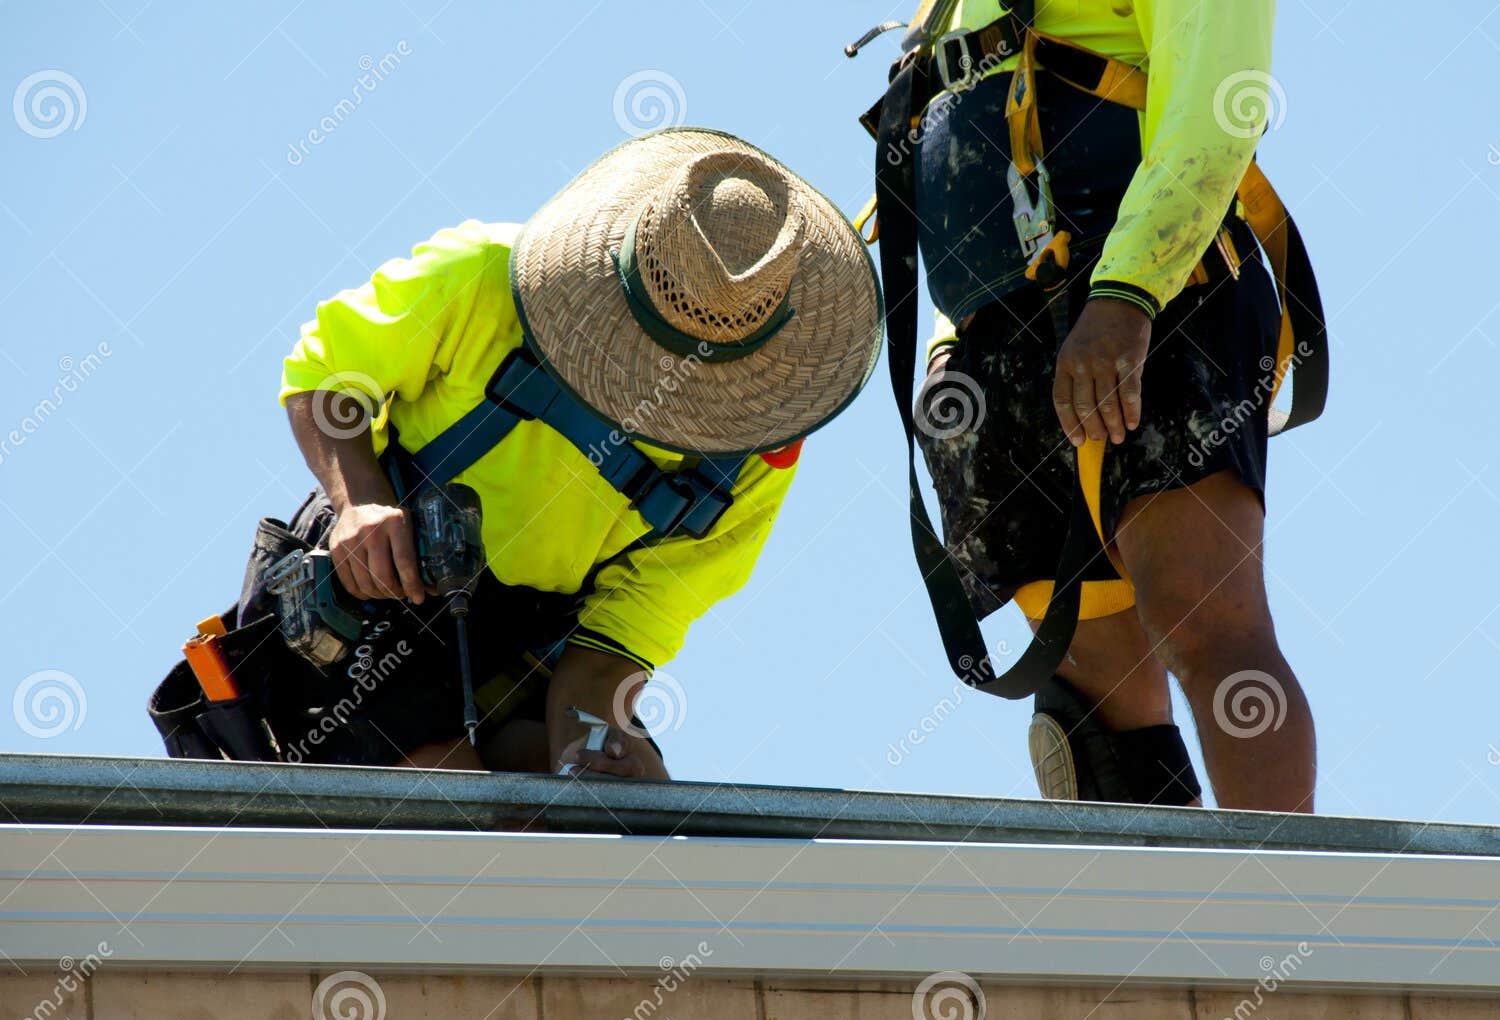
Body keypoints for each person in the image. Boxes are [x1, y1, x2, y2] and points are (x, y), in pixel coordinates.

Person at [150, 128, 882, 779]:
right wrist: (360, 501)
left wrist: (590, 760)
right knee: (464, 818)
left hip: (527, 662)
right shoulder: (486, 277)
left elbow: (606, 656)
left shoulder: (749, 463)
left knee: (631, 813)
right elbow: (323, 379)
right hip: (376, 608)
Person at [864, 0, 1324, 811]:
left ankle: (1278, 912)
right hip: (993, 341)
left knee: (1201, 615)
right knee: (1088, 696)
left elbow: (1217, 105)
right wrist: (947, 347)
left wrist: (1128, 293)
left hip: (1150, 298)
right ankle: (1156, 934)